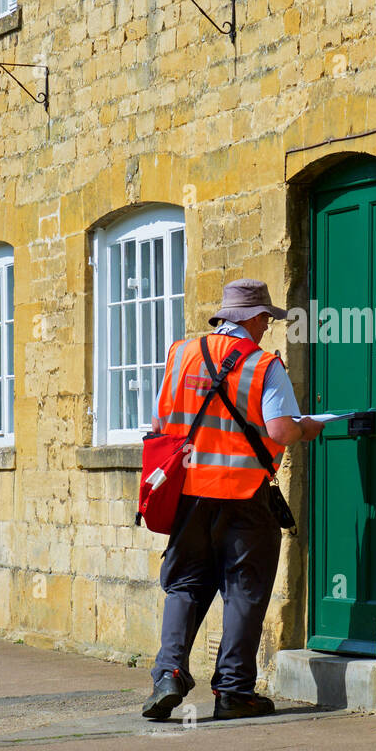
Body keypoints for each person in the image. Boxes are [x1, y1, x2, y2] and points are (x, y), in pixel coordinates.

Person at [141, 279, 325, 721]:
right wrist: (308, 428)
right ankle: (234, 691)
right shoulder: (263, 365)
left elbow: (161, 421)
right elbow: (280, 431)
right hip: (243, 494)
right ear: (253, 318)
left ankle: (168, 673)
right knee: (244, 589)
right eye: (266, 318)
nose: (267, 326)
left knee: (184, 584)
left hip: (187, 492)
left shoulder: (180, 354)